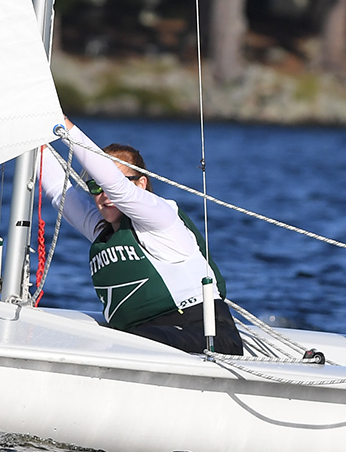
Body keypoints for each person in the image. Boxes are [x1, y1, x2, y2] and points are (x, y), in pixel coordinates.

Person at [40, 121, 243, 355]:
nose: (104, 194)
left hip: (204, 335)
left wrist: (61, 125)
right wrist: (29, 131)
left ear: (141, 183)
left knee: (117, 344)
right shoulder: (101, 229)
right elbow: (57, 190)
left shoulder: (161, 217)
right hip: (146, 335)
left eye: (108, 183)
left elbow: (118, 188)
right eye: (96, 186)